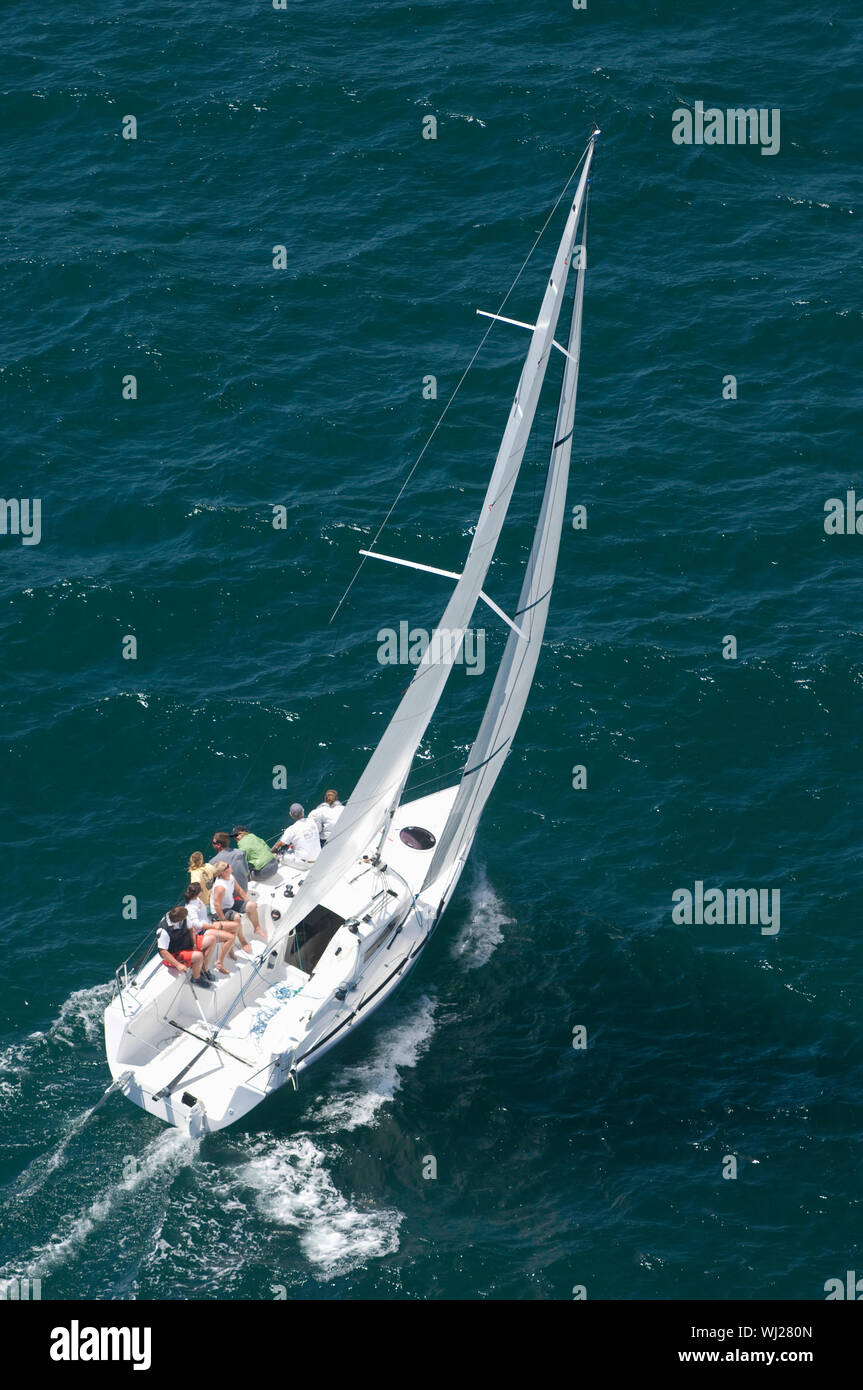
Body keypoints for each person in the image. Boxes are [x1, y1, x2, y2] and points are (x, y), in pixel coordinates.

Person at [182, 883, 235, 975]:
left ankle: (230, 950)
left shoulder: (197, 900)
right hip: (203, 931)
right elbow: (197, 924)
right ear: (198, 893)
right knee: (230, 937)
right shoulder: (190, 907)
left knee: (235, 926)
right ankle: (219, 963)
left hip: (210, 923)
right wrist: (213, 927)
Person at [211, 861, 266, 946]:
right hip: (220, 910)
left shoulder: (231, 877)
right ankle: (242, 940)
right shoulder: (220, 887)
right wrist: (224, 920)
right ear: (223, 872)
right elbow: (217, 905)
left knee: (252, 905)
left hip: (230, 903)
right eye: (228, 866)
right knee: (236, 917)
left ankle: (257, 928)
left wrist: (248, 902)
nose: (230, 865)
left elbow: (239, 890)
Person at [155, 906, 213, 986]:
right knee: (199, 956)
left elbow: (191, 929)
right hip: (174, 953)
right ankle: (196, 978)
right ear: (178, 919)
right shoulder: (164, 930)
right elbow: (163, 952)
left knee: (212, 939)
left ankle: (203, 969)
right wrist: (178, 965)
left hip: (185, 944)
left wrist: (194, 945)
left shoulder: (183, 918)